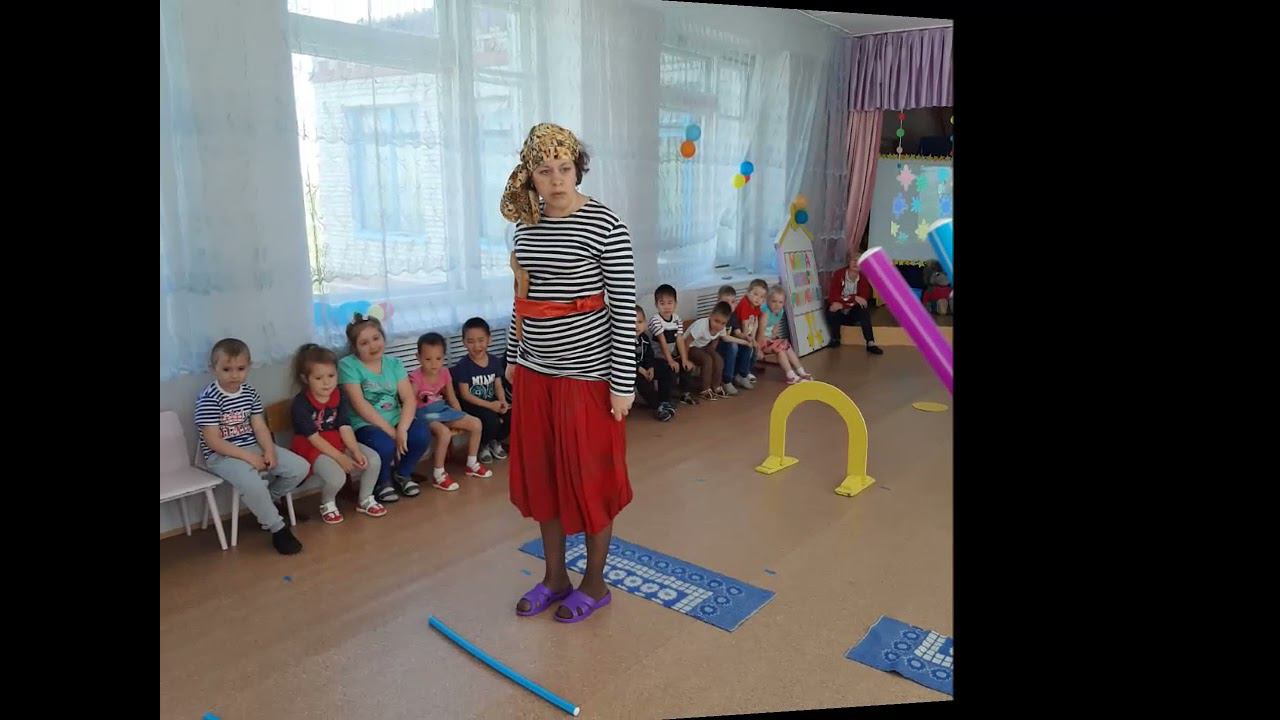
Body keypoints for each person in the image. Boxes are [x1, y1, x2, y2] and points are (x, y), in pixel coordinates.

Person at [501, 123, 636, 623]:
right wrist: (513, 357)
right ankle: (554, 577)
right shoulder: (526, 227)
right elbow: (521, 298)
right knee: (545, 479)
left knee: (591, 480)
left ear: (578, 169)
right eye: (544, 170)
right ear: (529, 176)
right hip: (536, 375)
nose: (556, 179)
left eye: (564, 168)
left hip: (589, 378)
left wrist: (622, 384)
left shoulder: (606, 226)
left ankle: (594, 584)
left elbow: (623, 308)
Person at [196, 338, 310, 554]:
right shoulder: (209, 398)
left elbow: (259, 427)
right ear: (213, 369)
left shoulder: (249, 392)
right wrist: (249, 458)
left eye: (240, 369)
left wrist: (269, 450)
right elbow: (213, 441)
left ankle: (269, 501)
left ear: (249, 367)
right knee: (253, 484)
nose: (234, 375)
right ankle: (277, 529)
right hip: (222, 456)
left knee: (300, 467)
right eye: (227, 369)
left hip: (253, 447)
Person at [289, 343, 384, 522]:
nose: (326, 382)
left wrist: (355, 450)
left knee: (373, 459)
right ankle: (327, 503)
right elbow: (313, 438)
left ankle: (365, 499)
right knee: (337, 476)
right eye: (319, 378)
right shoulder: (300, 403)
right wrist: (340, 458)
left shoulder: (340, 394)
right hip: (311, 447)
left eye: (331, 376)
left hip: (337, 440)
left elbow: (344, 426)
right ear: (305, 378)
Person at [825, 255, 883, 354]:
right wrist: (854, 298)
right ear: (849, 261)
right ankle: (835, 338)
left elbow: (863, 300)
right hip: (840, 313)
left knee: (863, 310)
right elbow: (833, 297)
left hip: (852, 314)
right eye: (854, 260)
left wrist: (843, 303)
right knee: (832, 308)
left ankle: (870, 343)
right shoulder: (839, 274)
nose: (856, 263)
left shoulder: (863, 278)